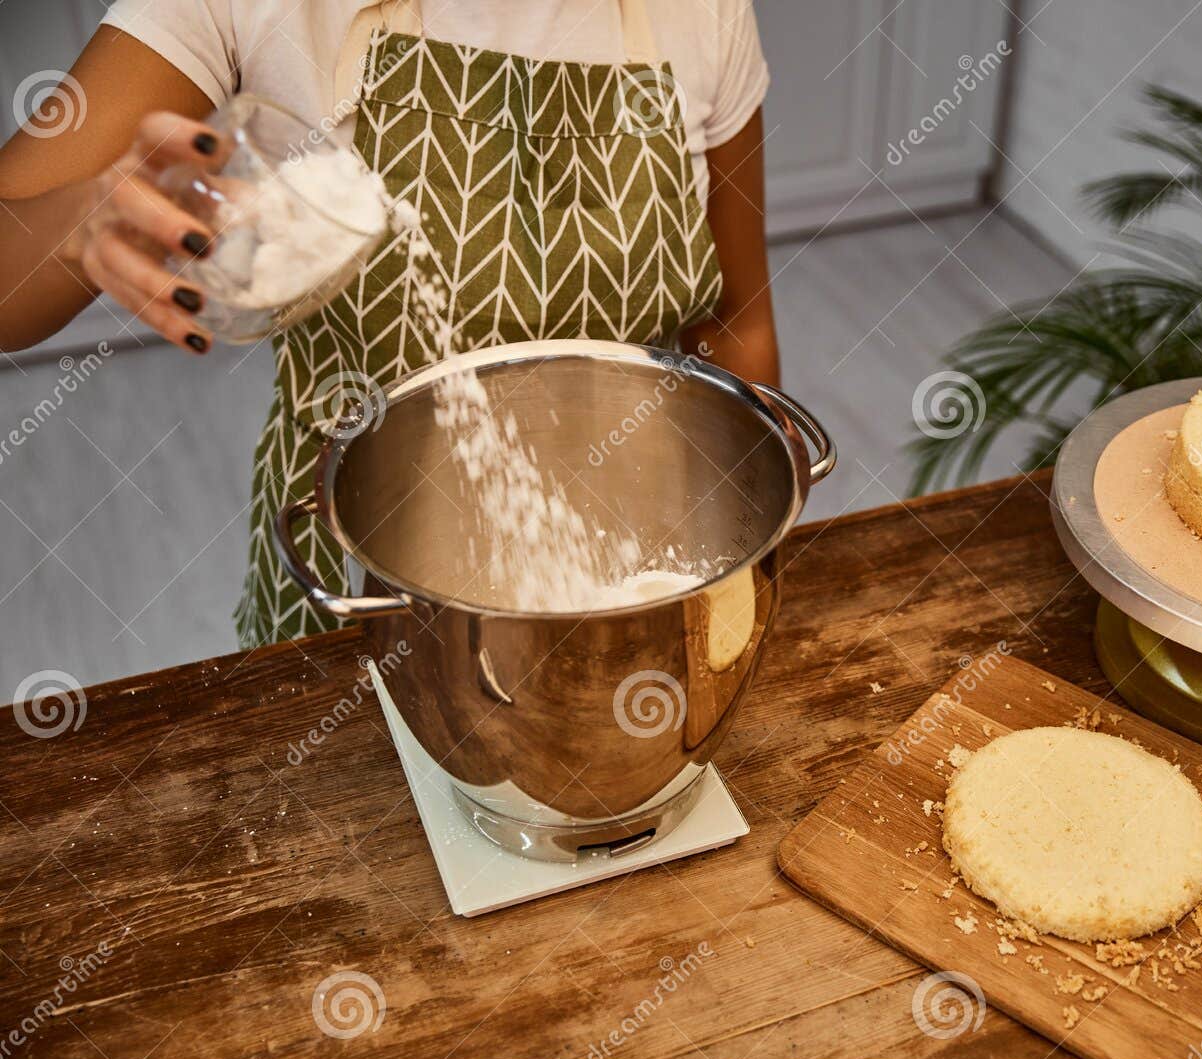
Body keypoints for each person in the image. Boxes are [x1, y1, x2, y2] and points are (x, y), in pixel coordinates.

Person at [0, 0, 778, 646]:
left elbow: (737, 326)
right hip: (355, 588)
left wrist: (747, 564)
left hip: (633, 585)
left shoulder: (698, 12)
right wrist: (84, 219)